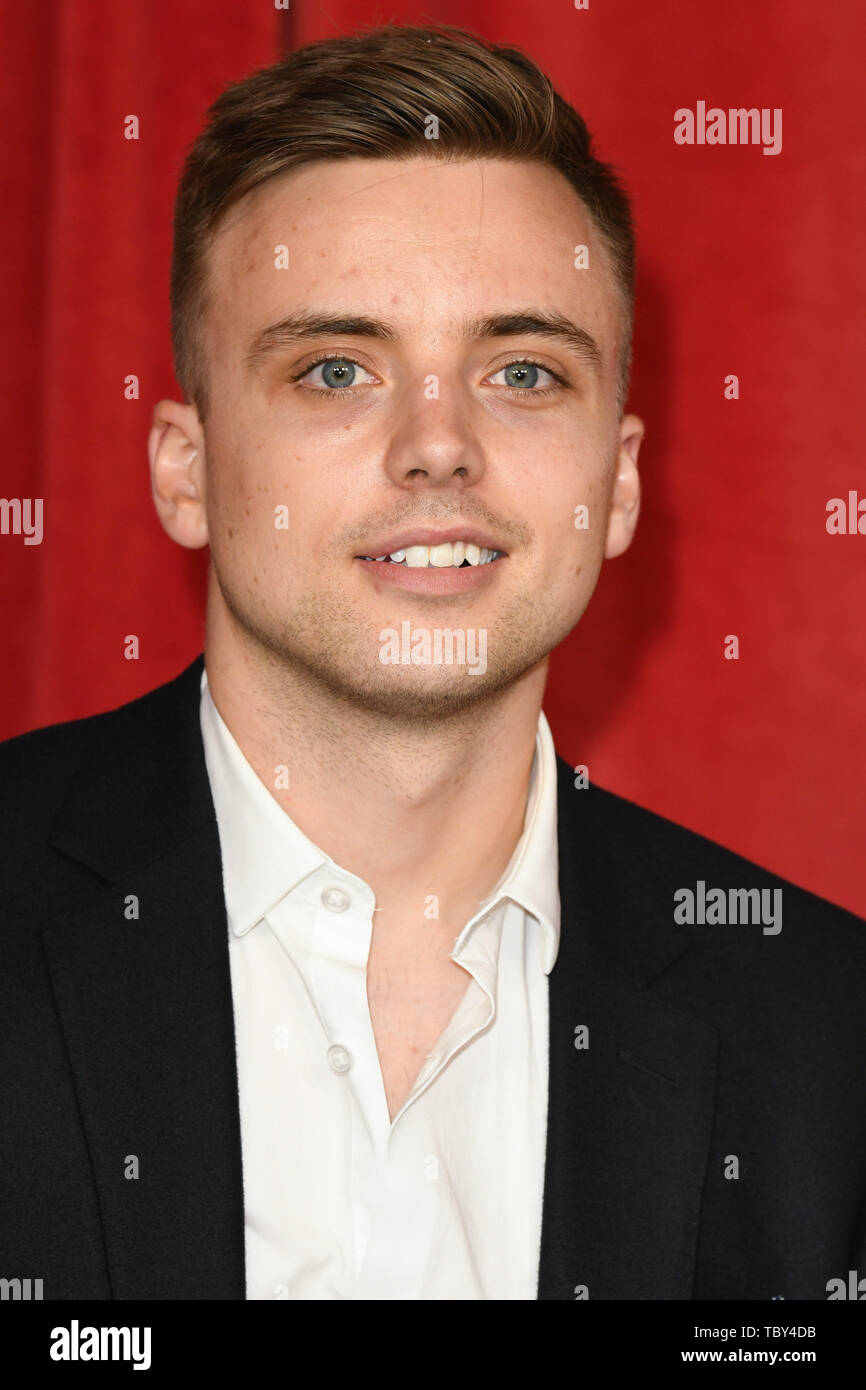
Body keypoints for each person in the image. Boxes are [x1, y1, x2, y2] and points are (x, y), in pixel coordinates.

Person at [2, 22, 864, 1302]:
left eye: (520, 371)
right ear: (184, 471)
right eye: (336, 369)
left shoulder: (827, 1039)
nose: (437, 446)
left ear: (617, 484)